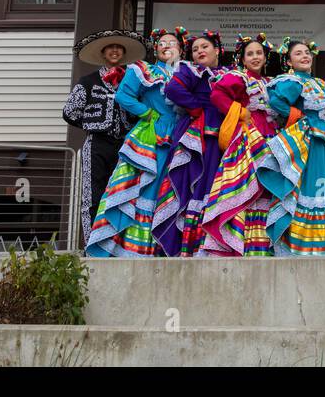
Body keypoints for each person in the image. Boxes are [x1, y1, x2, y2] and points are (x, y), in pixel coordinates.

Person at [85, 27, 184, 257]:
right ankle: (133, 248)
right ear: (155, 50)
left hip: (179, 137)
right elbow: (123, 96)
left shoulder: (186, 74)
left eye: (172, 42)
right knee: (144, 189)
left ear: (181, 49)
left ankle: (165, 247)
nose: (167, 46)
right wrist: (146, 113)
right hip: (152, 135)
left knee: (171, 191)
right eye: (162, 43)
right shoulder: (144, 70)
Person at [260, 38, 325, 256]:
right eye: (298, 53)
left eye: (307, 52)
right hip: (310, 142)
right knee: (310, 188)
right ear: (289, 61)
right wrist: (298, 118)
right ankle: (305, 247)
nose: (305, 56)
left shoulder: (322, 84)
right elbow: (276, 101)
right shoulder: (292, 81)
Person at [63, 29, 144, 250]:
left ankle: (120, 245)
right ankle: (91, 245)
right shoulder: (87, 81)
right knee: (93, 195)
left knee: (124, 193)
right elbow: (69, 112)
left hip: (126, 146)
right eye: (110, 47)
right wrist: (92, 124)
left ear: (124, 53)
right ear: (103, 53)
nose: (115, 50)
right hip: (97, 145)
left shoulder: (134, 81)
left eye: (119, 47)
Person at [199, 33, 279, 257]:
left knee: (264, 190)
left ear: (265, 57)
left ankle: (260, 245)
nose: (255, 57)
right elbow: (217, 94)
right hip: (247, 139)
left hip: (269, 141)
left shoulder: (270, 83)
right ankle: (236, 244)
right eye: (250, 54)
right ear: (242, 59)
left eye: (258, 53)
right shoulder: (239, 77)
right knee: (243, 189)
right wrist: (240, 112)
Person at [155, 30, 225, 257]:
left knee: (217, 184)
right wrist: (197, 108)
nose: (199, 52)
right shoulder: (191, 70)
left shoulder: (228, 74)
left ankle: (214, 242)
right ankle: (190, 245)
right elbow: (173, 89)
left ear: (217, 50)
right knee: (196, 182)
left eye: (205, 47)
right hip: (199, 134)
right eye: (195, 49)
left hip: (223, 134)